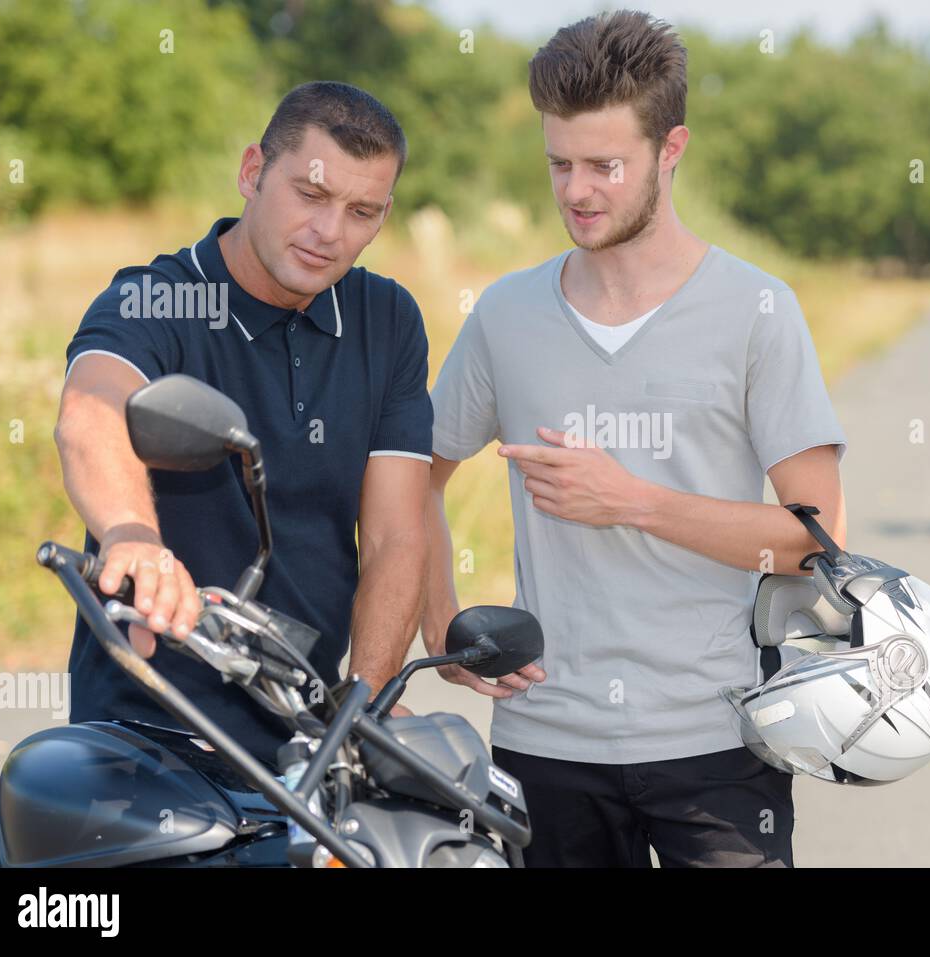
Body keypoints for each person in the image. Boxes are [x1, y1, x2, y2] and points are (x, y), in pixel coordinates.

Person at [423, 11, 849, 867]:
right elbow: (413, 480)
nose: (577, 190)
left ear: (671, 149)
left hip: (719, 743)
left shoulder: (757, 311)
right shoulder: (505, 315)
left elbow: (816, 541)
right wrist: (441, 626)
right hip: (546, 744)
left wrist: (632, 501)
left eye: (605, 165)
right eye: (560, 164)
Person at [56, 81, 433, 768]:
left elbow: (395, 534)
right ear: (253, 172)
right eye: (311, 195)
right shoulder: (157, 296)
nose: (330, 232)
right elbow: (90, 411)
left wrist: (364, 699)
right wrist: (132, 533)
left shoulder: (389, 319)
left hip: (306, 748)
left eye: (361, 211)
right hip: (146, 732)